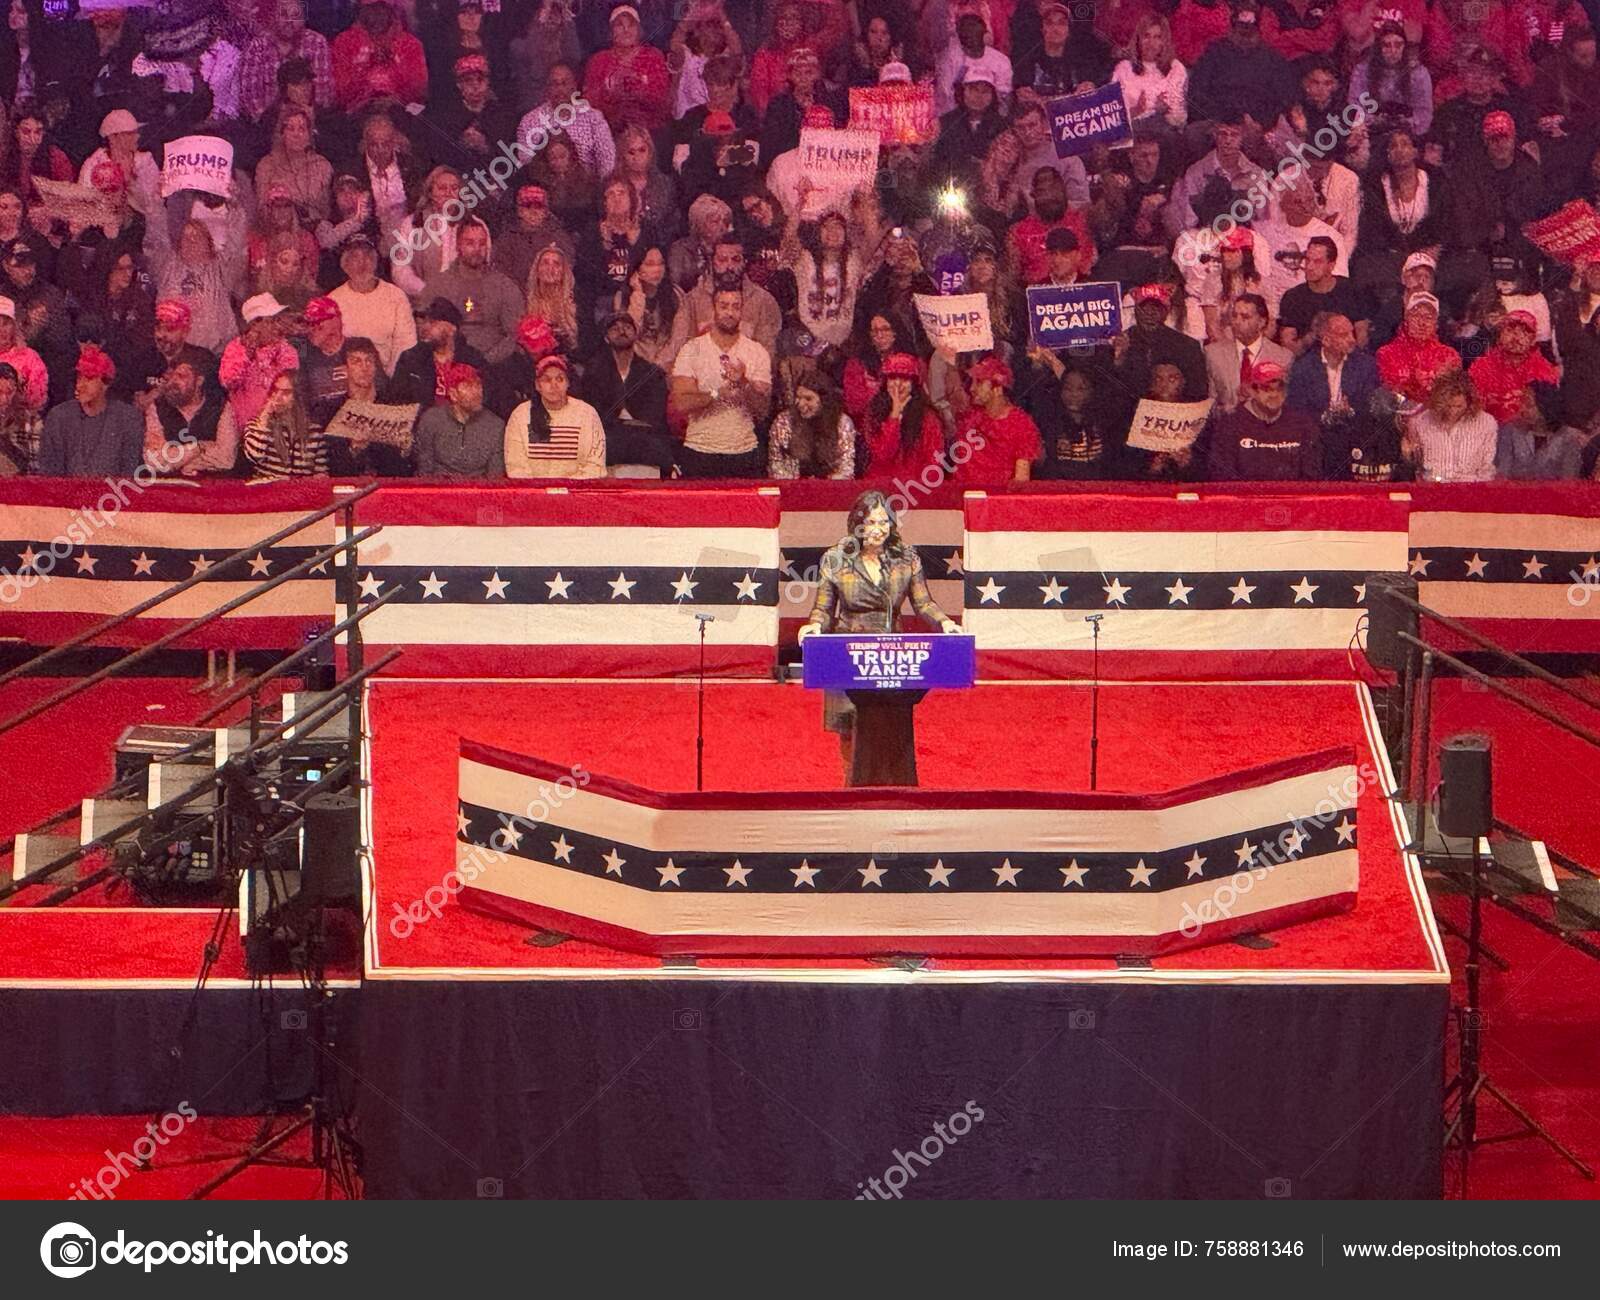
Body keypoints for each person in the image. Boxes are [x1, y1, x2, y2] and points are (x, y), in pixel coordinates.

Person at [799, 489, 962, 778]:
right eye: (872, 523)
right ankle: (852, 784)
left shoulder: (907, 558)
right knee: (849, 728)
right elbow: (823, 610)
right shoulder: (835, 559)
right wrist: (813, 627)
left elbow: (923, 603)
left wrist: (945, 623)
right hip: (846, 653)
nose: (879, 530)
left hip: (890, 655)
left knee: (890, 721)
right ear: (858, 525)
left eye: (884, 522)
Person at [668, 285, 772, 476]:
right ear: (713, 308)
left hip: (744, 452)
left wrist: (744, 384)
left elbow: (762, 410)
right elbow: (682, 403)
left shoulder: (757, 352)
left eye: (736, 306)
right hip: (699, 451)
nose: (730, 312)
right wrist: (717, 394)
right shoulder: (692, 349)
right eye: (724, 306)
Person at [1286, 312, 1390, 480]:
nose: (1352, 340)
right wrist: (1327, 416)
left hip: (1353, 437)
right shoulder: (1303, 368)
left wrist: (1349, 411)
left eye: (1352, 333)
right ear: (1326, 340)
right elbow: (1297, 410)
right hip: (1317, 438)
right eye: (1344, 335)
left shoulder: (1366, 366)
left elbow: (1370, 406)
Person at [419, 218, 524, 364]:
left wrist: (486, 361)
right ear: (458, 246)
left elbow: (515, 334)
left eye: (482, 243)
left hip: (494, 366)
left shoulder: (504, 286)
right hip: (445, 363)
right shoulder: (438, 285)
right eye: (470, 243)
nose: (477, 249)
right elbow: (424, 329)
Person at [581, 311, 672, 474]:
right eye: (615, 328)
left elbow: (656, 413)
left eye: (627, 327)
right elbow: (592, 412)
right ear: (606, 337)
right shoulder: (593, 372)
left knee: (659, 448)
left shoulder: (652, 372)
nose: (621, 331)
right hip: (609, 434)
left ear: (636, 334)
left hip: (645, 435)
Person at [35, 345, 143, 477]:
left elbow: (129, 472)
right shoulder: (58, 417)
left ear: (106, 383)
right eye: (79, 378)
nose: (80, 385)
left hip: (113, 495)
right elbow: (49, 473)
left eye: (89, 379)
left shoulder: (128, 418)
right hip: (66, 495)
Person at [1208, 359, 1323, 479]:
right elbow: (1222, 475)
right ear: (1252, 391)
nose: (1274, 394)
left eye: (1280, 388)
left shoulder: (1303, 425)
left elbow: (1312, 477)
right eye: (1266, 388)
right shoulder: (1229, 425)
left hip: (1291, 495)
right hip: (1246, 496)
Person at [503, 353, 606, 478]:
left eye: (559, 379)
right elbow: (515, 466)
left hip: (575, 493)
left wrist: (567, 490)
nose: (554, 385)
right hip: (534, 493)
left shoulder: (587, 414)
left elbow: (595, 465)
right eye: (546, 380)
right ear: (537, 385)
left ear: (568, 383)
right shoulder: (520, 415)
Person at [328, 235, 416, 376]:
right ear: (345, 264)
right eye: (355, 257)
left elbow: (405, 343)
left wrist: (389, 379)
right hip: (348, 378)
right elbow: (329, 347)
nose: (362, 263)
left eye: (368, 256)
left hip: (387, 377)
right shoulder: (333, 300)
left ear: (375, 262)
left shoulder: (396, 296)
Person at [951, 355, 1041, 483]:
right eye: (972, 382)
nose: (972, 389)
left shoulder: (1022, 425)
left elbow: (1021, 479)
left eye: (979, 383)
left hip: (997, 499)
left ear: (997, 389)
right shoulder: (969, 418)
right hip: (963, 496)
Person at [143, 357, 238, 477]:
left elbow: (226, 459)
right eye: (171, 376)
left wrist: (182, 461)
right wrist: (197, 448)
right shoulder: (158, 407)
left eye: (181, 376)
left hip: (210, 488)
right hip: (170, 488)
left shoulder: (220, 406)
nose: (173, 382)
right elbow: (153, 461)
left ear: (199, 381)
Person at [1276, 236, 1370, 353]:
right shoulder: (1293, 297)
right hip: (1307, 365)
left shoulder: (1351, 290)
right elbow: (1288, 347)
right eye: (1307, 260)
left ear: (1331, 266)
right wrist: (1312, 336)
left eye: (1317, 262)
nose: (1309, 267)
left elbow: (1362, 336)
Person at [390, 298, 492, 407]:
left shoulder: (473, 360)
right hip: (421, 421)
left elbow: (486, 399)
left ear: (452, 328)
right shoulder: (411, 359)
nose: (425, 327)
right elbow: (396, 399)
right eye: (424, 322)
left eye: (433, 322)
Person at [1403, 367, 1498, 481]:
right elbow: (1416, 467)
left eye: (1459, 406)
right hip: (1432, 489)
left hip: (1472, 489)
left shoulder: (1486, 423)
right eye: (1448, 406)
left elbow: (1487, 468)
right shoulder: (1420, 421)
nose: (1453, 411)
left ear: (1469, 402)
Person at [862, 352, 946, 481]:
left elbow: (933, 463)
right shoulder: (873, 413)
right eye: (893, 378)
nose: (898, 384)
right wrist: (894, 415)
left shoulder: (928, 418)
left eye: (905, 379)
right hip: (880, 486)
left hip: (913, 489)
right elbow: (882, 454)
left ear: (914, 384)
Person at [412, 361, 504, 477]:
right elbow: (425, 472)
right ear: (453, 394)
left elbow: (494, 479)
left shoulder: (496, 426)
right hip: (439, 490)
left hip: (478, 491)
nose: (477, 392)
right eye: (468, 386)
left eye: (478, 384)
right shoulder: (431, 419)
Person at [1468, 310, 1560, 423]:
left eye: (1525, 331)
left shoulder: (1544, 370)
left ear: (1533, 340)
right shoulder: (1481, 366)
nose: (1517, 336)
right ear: (1500, 335)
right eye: (1510, 329)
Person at [1205, 294, 1292, 412]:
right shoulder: (1213, 354)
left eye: (1245, 317)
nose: (1237, 322)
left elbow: (1283, 404)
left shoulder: (1282, 358)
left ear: (1261, 322)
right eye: (1234, 316)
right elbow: (1209, 404)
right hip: (1225, 426)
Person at [243, 369, 329, 479]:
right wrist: (265, 417)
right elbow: (254, 456)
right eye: (275, 390)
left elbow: (321, 472)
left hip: (301, 492)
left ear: (299, 396)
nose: (278, 397)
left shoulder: (314, 431)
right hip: (268, 491)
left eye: (286, 392)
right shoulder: (256, 424)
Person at [768, 372, 856, 479]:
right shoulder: (784, 421)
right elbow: (776, 463)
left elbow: (846, 466)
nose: (800, 403)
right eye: (798, 397)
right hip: (793, 485)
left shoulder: (842, 422)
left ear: (824, 401)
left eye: (808, 399)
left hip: (830, 487)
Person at [1496, 382, 1591, 480]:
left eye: (1528, 405)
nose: (1521, 409)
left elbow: (1569, 481)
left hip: (1555, 494)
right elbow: (1502, 476)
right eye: (1521, 403)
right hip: (1513, 493)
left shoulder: (1568, 437)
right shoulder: (1510, 431)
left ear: (1546, 408)